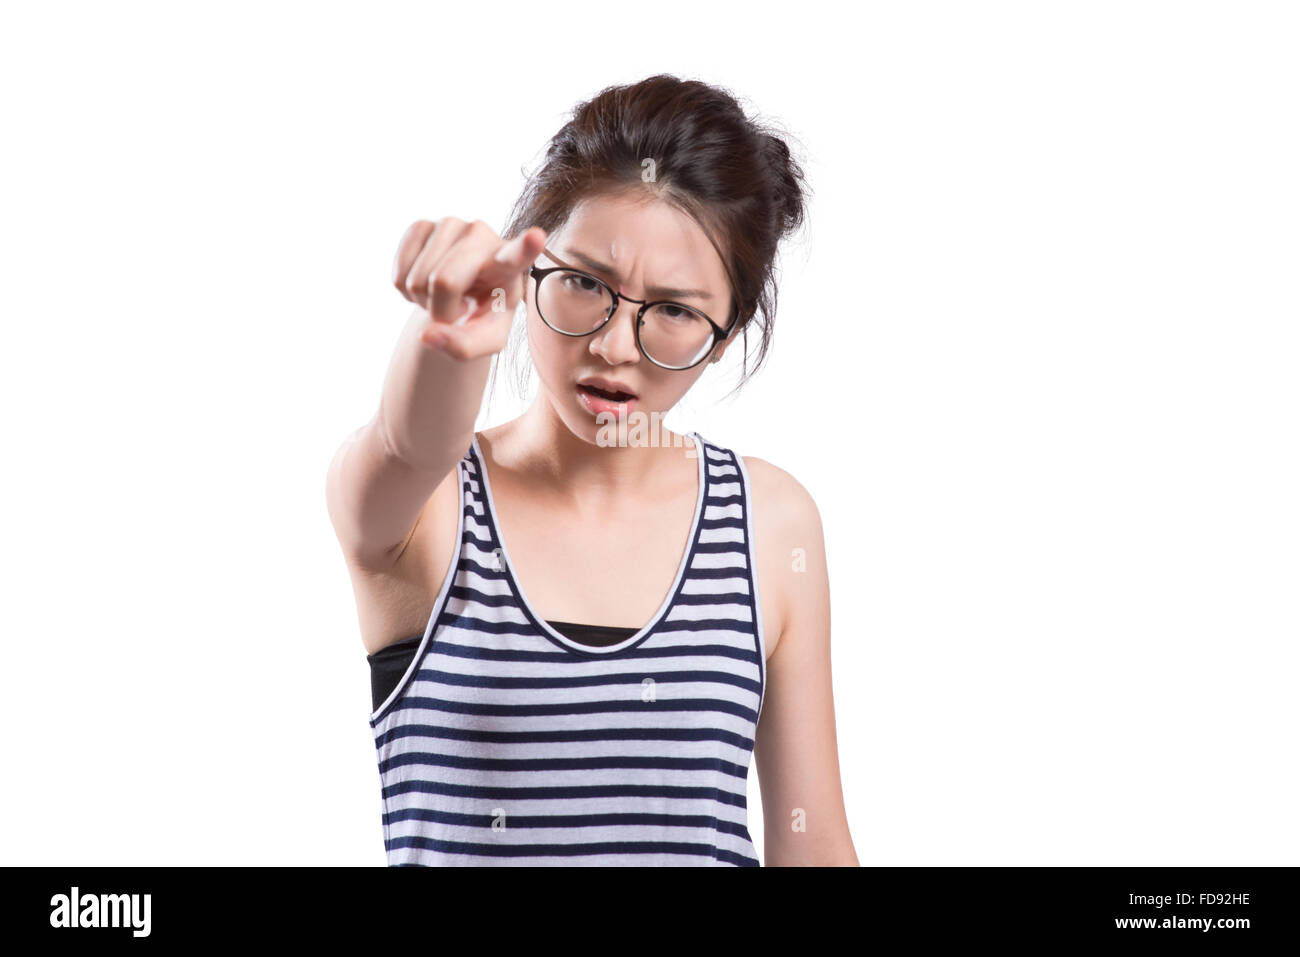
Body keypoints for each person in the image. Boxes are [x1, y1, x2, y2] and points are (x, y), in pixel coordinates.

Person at [326, 74, 857, 866]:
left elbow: (811, 846)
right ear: (530, 259)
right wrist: (447, 338)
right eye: (585, 284)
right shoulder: (431, 508)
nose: (613, 346)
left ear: (725, 332)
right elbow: (410, 444)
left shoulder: (769, 521)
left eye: (674, 310)